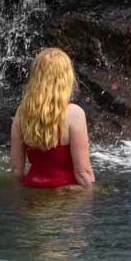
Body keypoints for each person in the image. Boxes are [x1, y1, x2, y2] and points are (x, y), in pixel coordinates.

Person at [10, 47, 96, 189]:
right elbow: (83, 172)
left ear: (36, 77)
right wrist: (91, 204)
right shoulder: (74, 114)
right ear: (66, 78)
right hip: (66, 196)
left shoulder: (22, 112)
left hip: (32, 193)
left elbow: (16, 170)